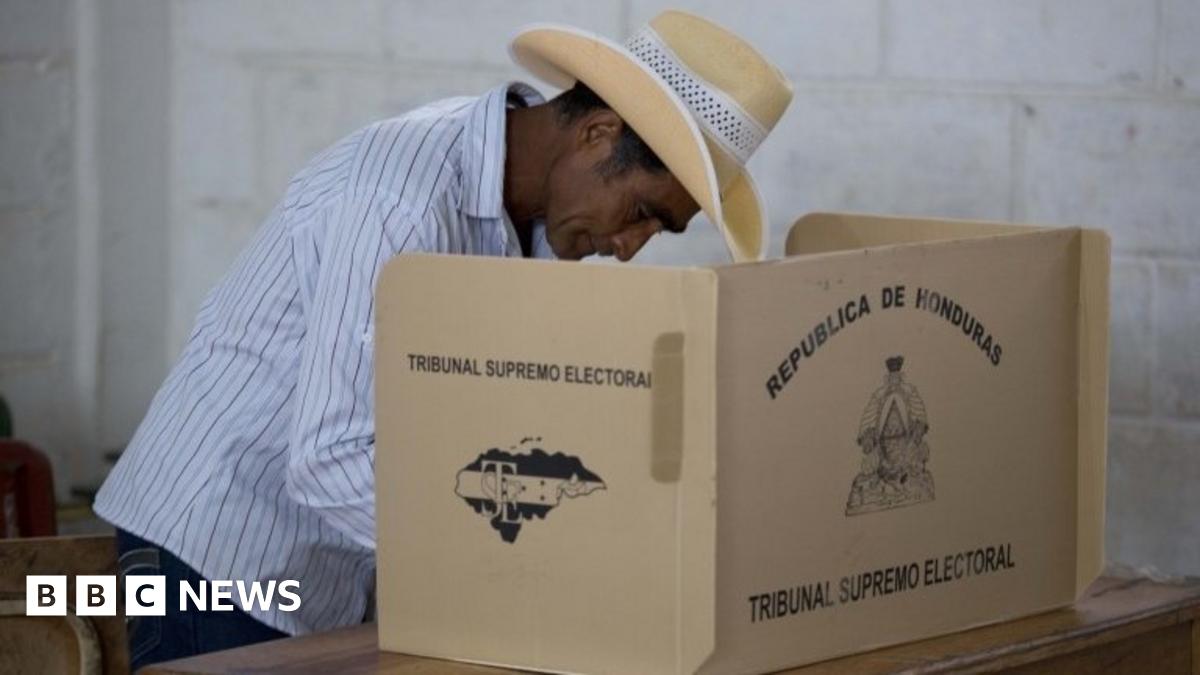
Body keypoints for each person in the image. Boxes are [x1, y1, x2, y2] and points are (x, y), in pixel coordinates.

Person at [94, 9, 793, 668]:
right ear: (597, 134)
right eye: (641, 212)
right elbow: (331, 455)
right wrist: (527, 560)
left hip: (319, 576)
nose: (631, 247)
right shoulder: (399, 203)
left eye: (657, 230)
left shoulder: (538, 226)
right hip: (213, 556)